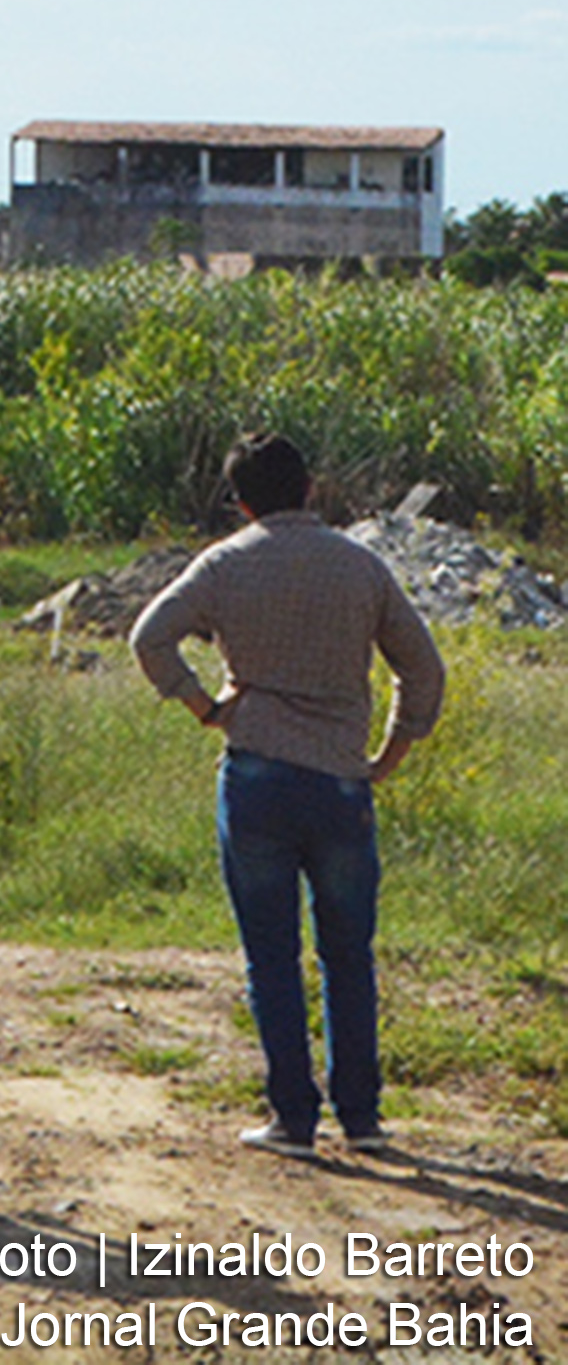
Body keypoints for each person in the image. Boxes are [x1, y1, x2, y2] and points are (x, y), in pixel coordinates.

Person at [131, 433, 444, 1158]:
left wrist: (203, 705)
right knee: (348, 953)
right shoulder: (361, 567)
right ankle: (361, 1117)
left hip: (258, 777)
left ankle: (292, 1118)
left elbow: (150, 637)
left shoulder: (226, 565)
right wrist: (389, 754)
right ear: (312, 488)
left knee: (270, 955)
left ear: (241, 502)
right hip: (340, 781)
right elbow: (423, 670)